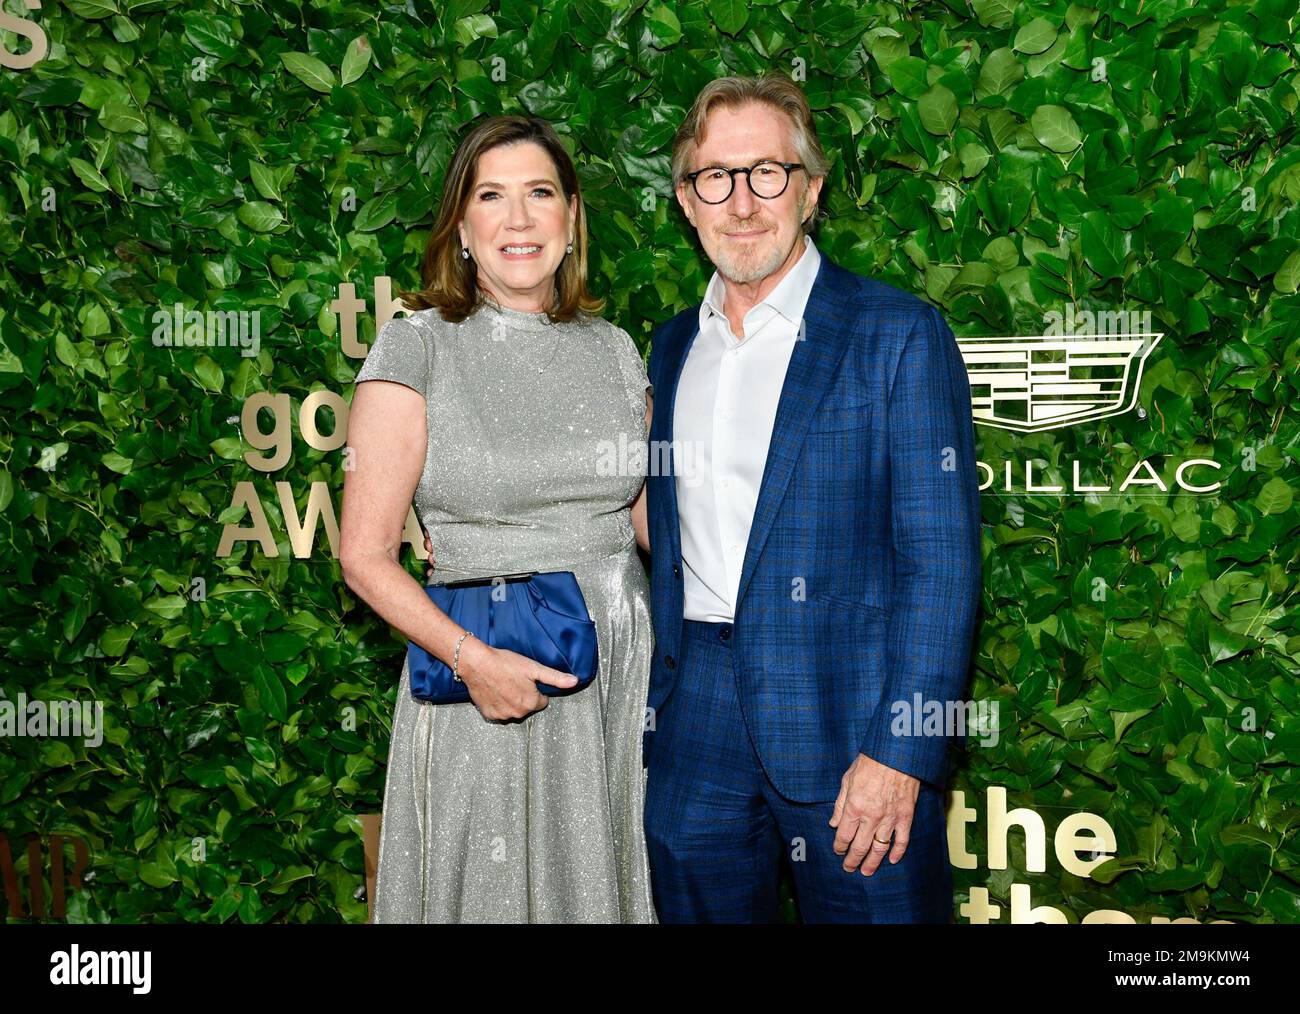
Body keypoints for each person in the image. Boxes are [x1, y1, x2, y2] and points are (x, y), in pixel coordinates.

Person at [641, 74, 982, 923]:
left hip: (851, 718)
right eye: (716, 177)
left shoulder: (898, 333)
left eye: (769, 173)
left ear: (812, 190)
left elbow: (941, 565)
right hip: (697, 722)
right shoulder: (671, 345)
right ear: (688, 200)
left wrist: (902, 752)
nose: (743, 202)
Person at [341, 114, 656, 923]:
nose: (519, 219)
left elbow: (658, 526)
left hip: (620, 666)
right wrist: (471, 659)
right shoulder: (417, 346)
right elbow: (365, 556)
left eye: (540, 194)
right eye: (492, 196)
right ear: (463, 226)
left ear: (571, 217)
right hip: (494, 665)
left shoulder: (617, 349)